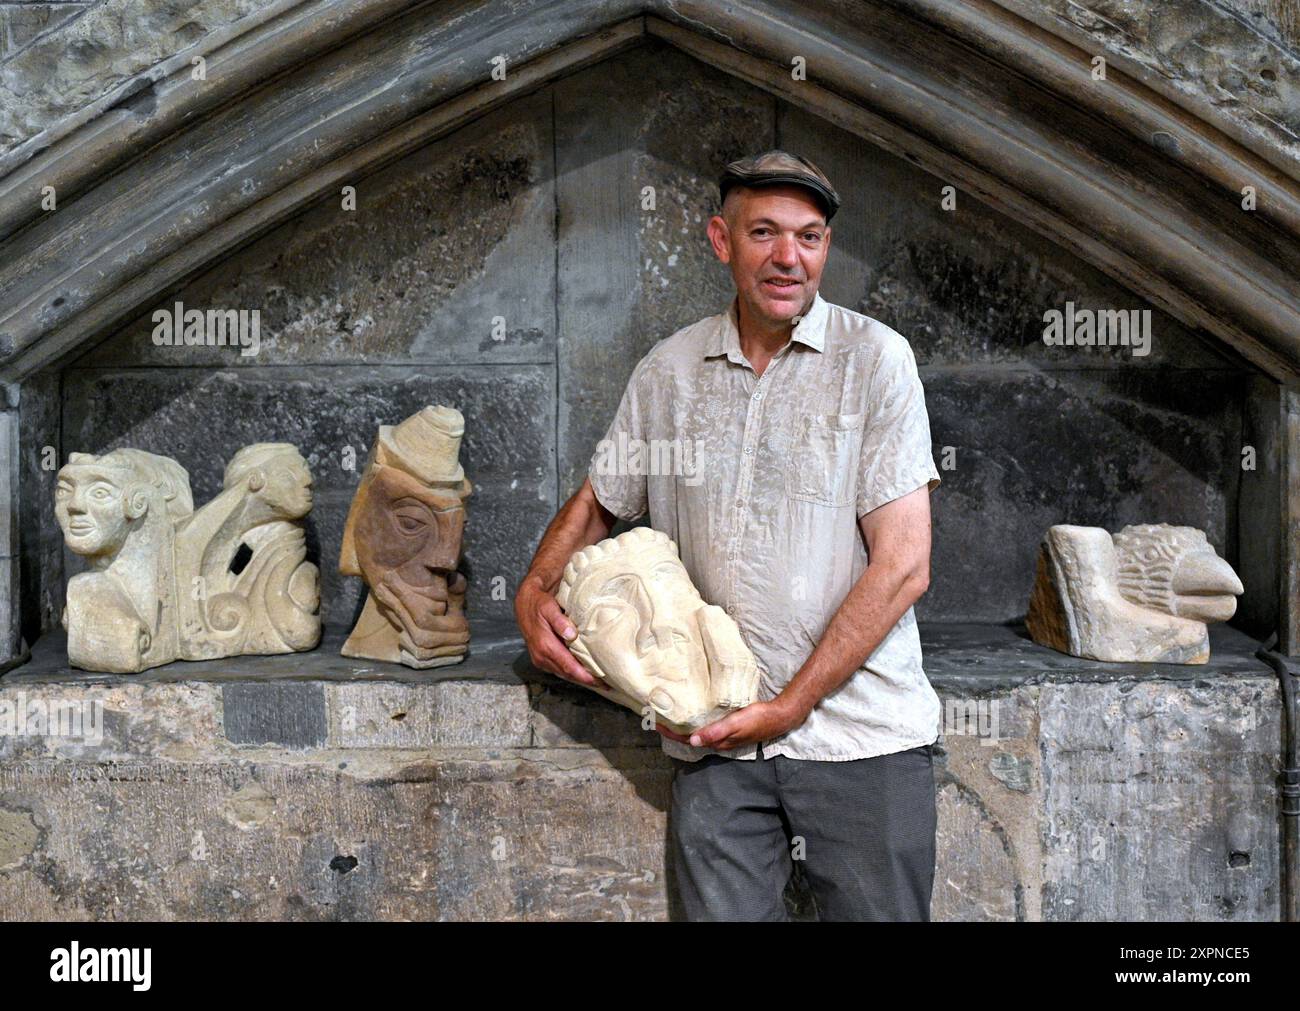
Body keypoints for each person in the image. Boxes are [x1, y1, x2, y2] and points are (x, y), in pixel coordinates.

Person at [514, 150, 942, 921]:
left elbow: (905, 566)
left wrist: (790, 704)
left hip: (860, 743)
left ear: (825, 249)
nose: (789, 257)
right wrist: (536, 588)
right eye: (764, 233)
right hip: (717, 747)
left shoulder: (875, 360)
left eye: (809, 238)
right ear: (721, 240)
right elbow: (598, 502)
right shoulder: (669, 372)